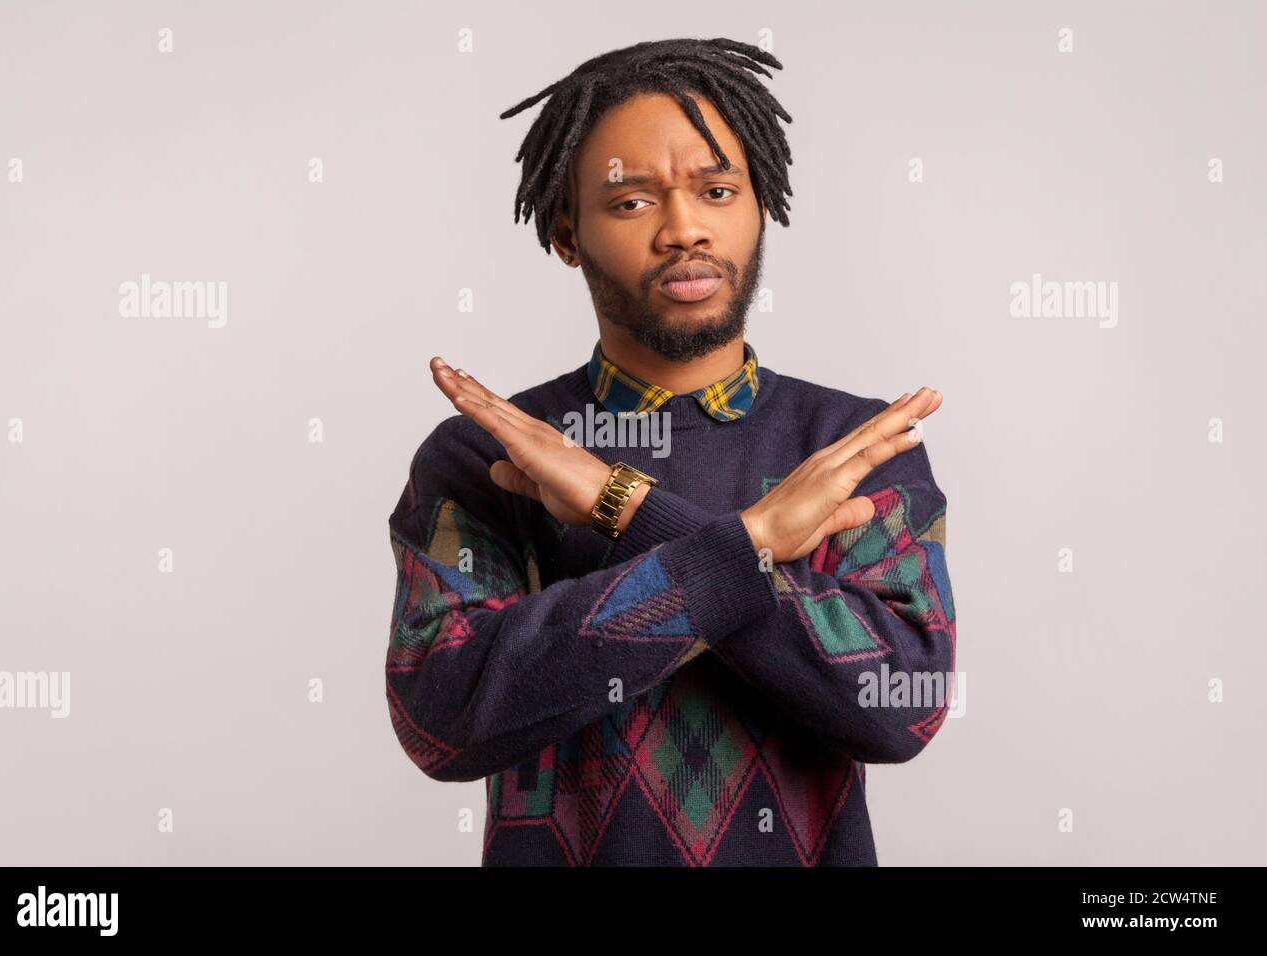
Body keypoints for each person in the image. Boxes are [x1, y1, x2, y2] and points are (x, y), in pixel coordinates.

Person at [386, 37, 955, 866]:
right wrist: (753, 544)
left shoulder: (852, 450)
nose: (684, 230)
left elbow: (900, 709)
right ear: (565, 234)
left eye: (717, 191)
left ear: (761, 209)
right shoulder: (491, 457)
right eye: (630, 203)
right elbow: (442, 720)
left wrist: (623, 507)